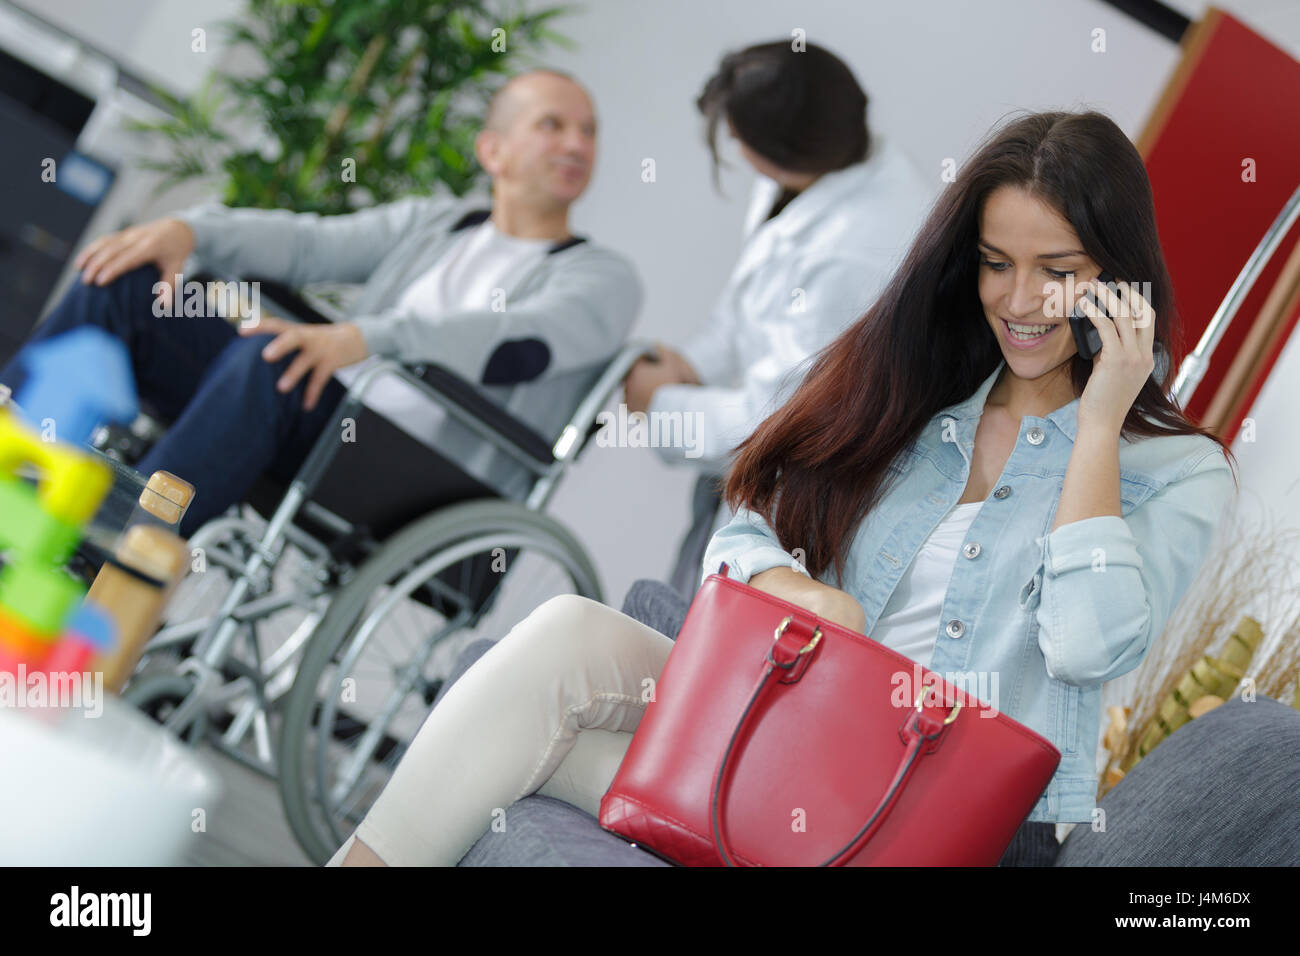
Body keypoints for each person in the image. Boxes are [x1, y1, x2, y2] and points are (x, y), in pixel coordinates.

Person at [328, 109, 1238, 866]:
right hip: (790, 730)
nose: (1020, 300)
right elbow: (749, 514)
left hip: (927, 813)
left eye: (1060, 271)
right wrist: (787, 586)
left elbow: (1085, 644)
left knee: (522, 746)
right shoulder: (919, 389)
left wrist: (1101, 421)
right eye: (998, 263)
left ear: (1120, 280)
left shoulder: (1179, 472)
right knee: (562, 645)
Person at [0, 70, 642, 537]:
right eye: (552, 125)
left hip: (417, 476)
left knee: (272, 357)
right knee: (129, 284)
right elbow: (307, 244)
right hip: (317, 409)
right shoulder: (441, 224)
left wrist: (362, 338)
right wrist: (189, 230)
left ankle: (115, 551)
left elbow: (514, 341)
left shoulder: (606, 279)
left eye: (588, 132)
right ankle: (13, 477)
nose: (577, 145)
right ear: (492, 150)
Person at [623, 41, 932, 598]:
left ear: (776, 147)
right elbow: (750, 310)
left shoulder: (851, 254)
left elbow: (779, 424)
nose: (735, 147)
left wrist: (659, 407)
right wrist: (688, 365)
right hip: (744, 486)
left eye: (738, 138)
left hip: (793, 506)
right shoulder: (815, 170)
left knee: (693, 642)